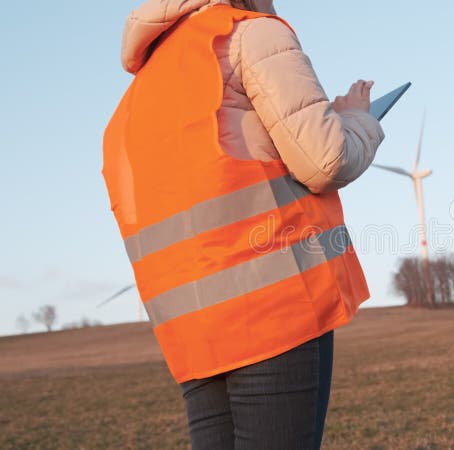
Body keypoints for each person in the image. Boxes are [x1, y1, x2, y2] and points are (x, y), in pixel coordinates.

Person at [103, 0, 385, 448]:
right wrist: (356, 119)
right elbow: (325, 160)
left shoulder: (137, 96)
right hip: (273, 310)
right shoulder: (250, 34)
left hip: (193, 334)